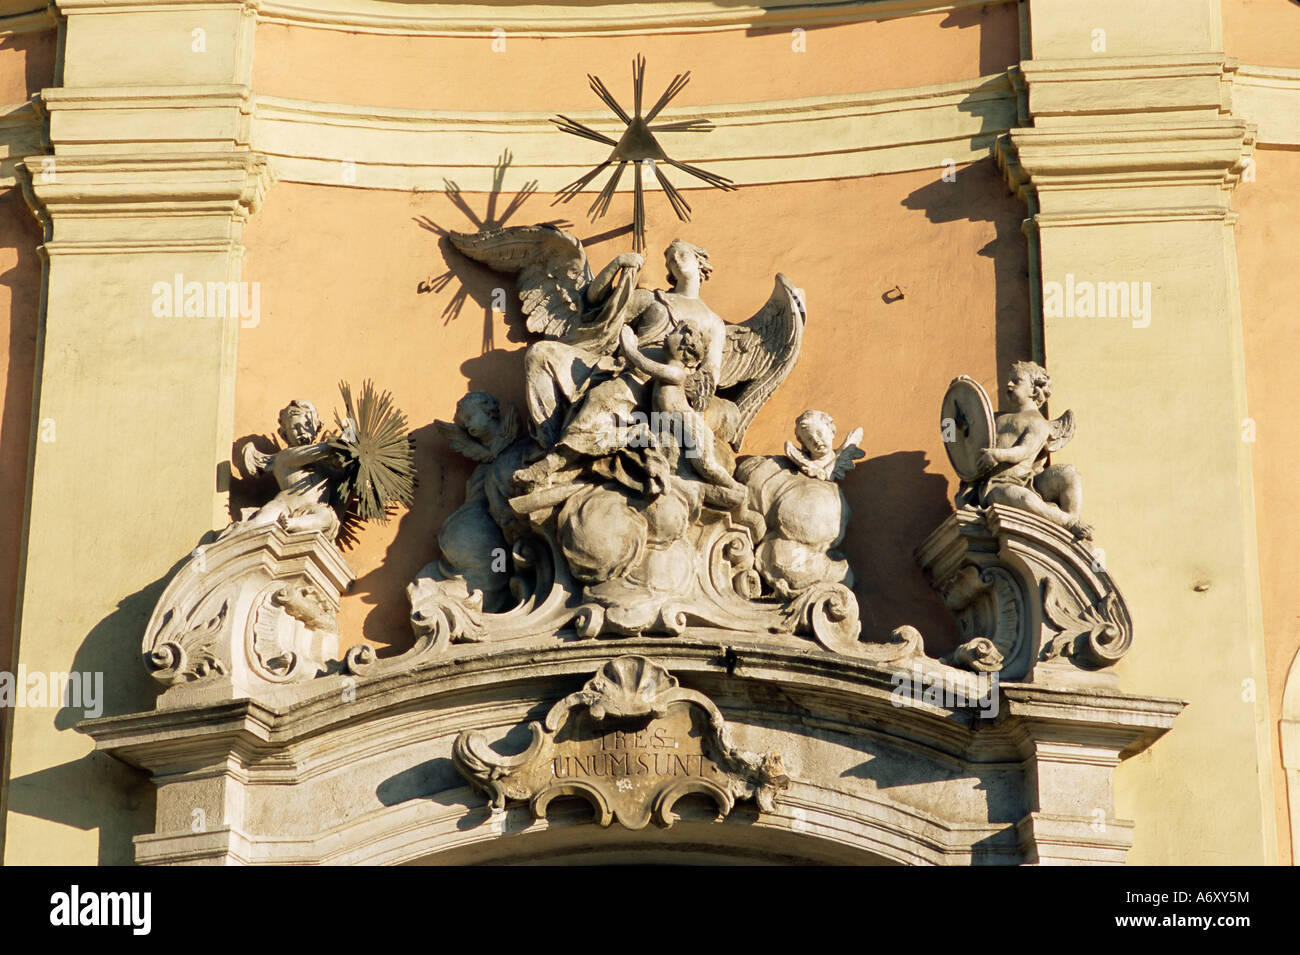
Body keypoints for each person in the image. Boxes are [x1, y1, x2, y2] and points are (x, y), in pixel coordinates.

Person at [976, 361, 1092, 539]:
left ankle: (1071, 520)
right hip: (999, 483)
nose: (1009, 384)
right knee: (1021, 498)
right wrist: (962, 403)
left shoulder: (1038, 423)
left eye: (1017, 381)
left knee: (1069, 473)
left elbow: (1023, 451)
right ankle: (1064, 519)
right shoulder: (996, 418)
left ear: (1033, 389)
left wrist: (997, 454)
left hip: (1030, 480)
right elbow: (967, 436)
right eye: (1009, 380)